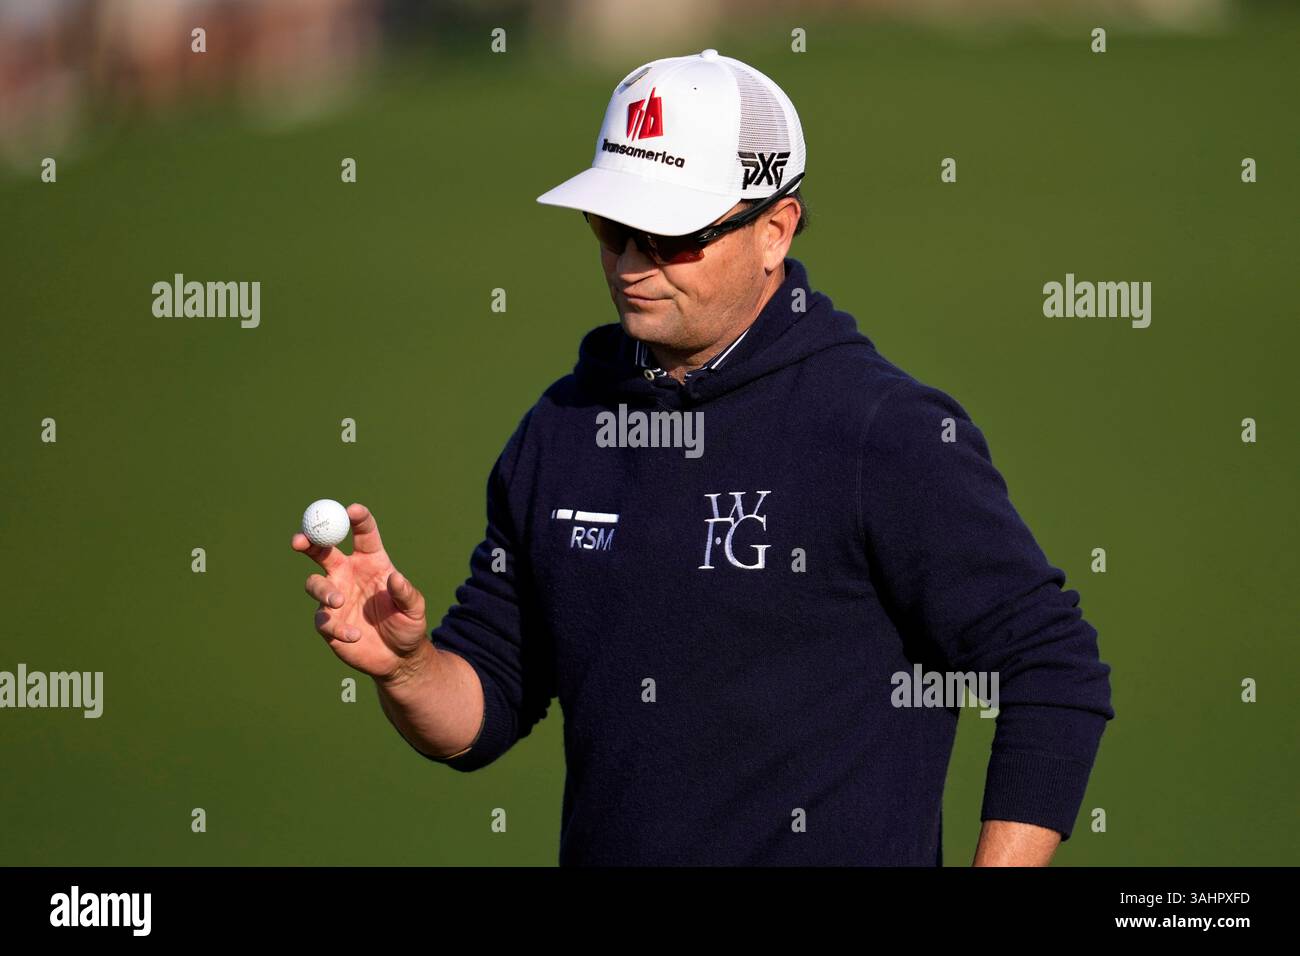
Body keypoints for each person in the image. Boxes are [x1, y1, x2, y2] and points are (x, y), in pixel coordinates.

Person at [293, 49, 1113, 866]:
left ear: (774, 231)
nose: (630, 262)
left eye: (671, 235)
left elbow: (1052, 667)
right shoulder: (563, 426)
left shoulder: (882, 431)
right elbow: (483, 708)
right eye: (612, 228)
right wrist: (405, 668)